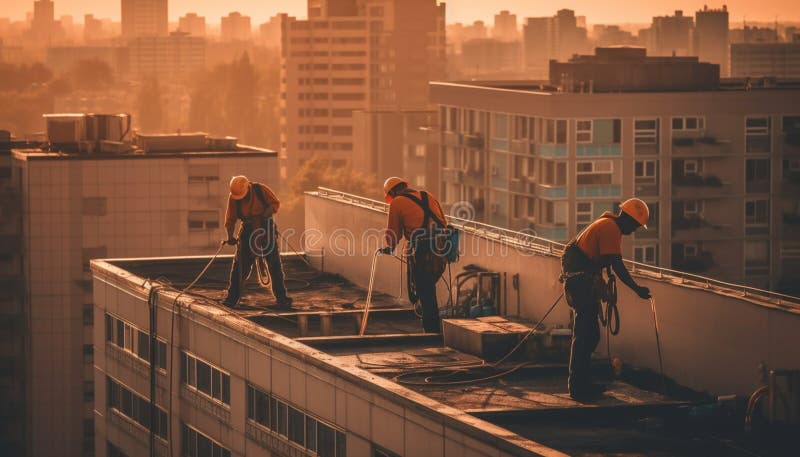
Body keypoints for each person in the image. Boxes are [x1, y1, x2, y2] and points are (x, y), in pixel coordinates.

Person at [560, 198, 652, 400]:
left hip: (580, 280)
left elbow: (605, 258)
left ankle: (582, 383)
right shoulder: (611, 228)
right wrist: (637, 289)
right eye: (635, 225)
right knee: (585, 335)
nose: (634, 230)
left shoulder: (606, 224)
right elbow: (617, 265)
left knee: (590, 335)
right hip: (580, 281)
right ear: (628, 219)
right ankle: (578, 387)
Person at [380, 177, 448, 333]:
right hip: (441, 248)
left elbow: (393, 231)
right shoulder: (427, 195)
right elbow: (443, 221)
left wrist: (389, 247)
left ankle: (431, 331)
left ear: (392, 192)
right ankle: (432, 327)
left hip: (422, 251)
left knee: (425, 291)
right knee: (428, 288)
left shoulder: (397, 202)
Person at [222, 175, 292, 309]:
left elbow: (275, 203)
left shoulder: (260, 190)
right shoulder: (234, 198)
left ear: (248, 188)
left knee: (273, 263)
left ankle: (282, 298)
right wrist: (230, 236)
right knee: (240, 266)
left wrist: (268, 212)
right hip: (248, 229)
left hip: (266, 226)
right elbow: (230, 219)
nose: (241, 198)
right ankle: (231, 298)